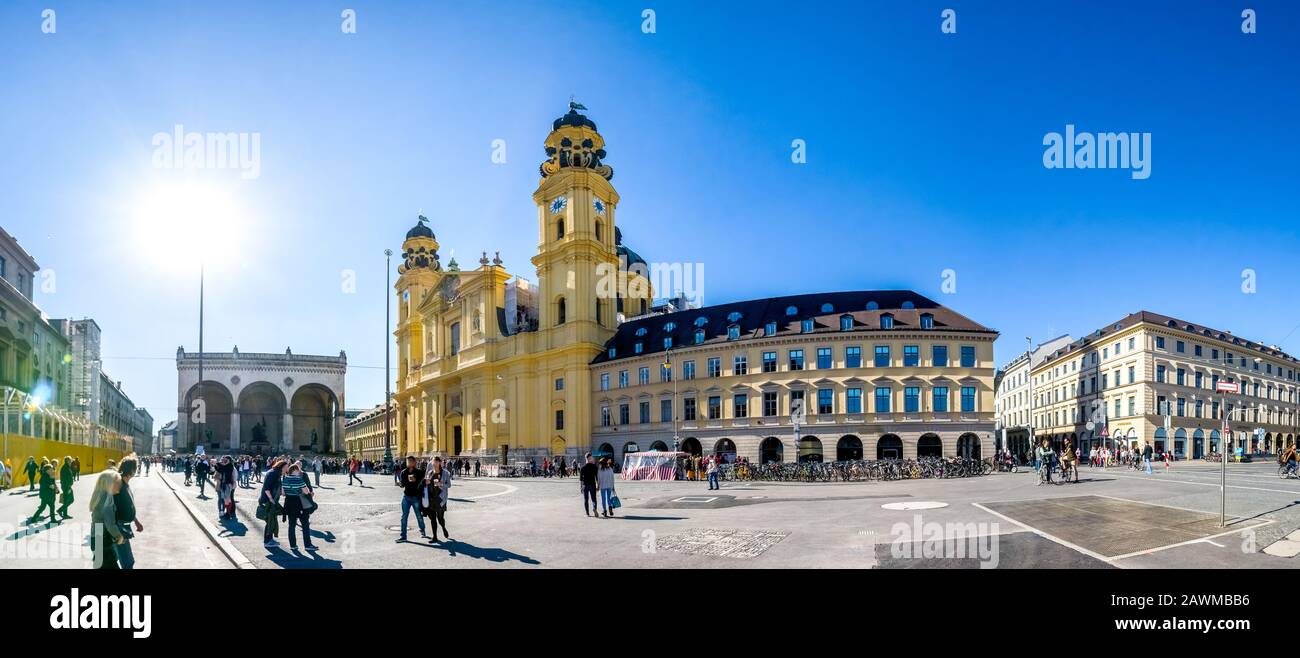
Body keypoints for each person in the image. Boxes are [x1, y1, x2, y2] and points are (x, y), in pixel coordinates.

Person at [113, 456, 144, 569]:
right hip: (118, 527)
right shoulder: (118, 484)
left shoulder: (125, 484)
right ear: (131, 470)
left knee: (116, 559)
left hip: (123, 526)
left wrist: (136, 521)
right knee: (127, 562)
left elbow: (127, 505)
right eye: (136, 468)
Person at [89, 470, 124, 569]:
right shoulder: (107, 498)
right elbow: (110, 524)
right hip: (103, 539)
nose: (120, 485)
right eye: (117, 483)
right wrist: (119, 536)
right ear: (110, 483)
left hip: (97, 536)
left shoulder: (99, 495)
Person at [281, 463, 318, 551]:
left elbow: (282, 493)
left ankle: (293, 545)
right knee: (305, 525)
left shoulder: (285, 479)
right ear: (295, 471)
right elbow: (306, 492)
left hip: (289, 504)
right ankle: (308, 545)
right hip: (300, 504)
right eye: (298, 470)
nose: (299, 472)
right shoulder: (299, 480)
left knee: (291, 525)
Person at [396, 456, 427, 542]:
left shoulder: (419, 472)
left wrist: (415, 480)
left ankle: (422, 530)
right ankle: (403, 536)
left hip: (416, 497)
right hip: (406, 497)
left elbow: (423, 483)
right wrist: (400, 484)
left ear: (414, 462)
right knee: (404, 517)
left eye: (410, 461)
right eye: (407, 461)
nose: (408, 463)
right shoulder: (403, 472)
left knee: (418, 515)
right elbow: (403, 484)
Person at [260, 459, 288, 547]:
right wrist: (271, 499)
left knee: (272, 521)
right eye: (286, 467)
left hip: (271, 500)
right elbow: (266, 488)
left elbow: (277, 487)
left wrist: (282, 493)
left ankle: (270, 539)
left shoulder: (276, 473)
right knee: (270, 521)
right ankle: (267, 541)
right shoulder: (273, 473)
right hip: (268, 501)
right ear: (282, 467)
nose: (287, 470)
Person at [423, 457, 452, 542]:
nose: (434, 463)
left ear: (439, 462)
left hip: (440, 498)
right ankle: (435, 537)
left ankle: (443, 527)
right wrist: (426, 483)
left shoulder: (446, 473)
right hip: (431, 498)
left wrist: (441, 484)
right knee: (432, 519)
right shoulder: (430, 472)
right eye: (433, 462)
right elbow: (426, 484)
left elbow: (449, 485)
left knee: (440, 518)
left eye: (436, 462)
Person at [214, 456, 237, 520]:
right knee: (222, 499)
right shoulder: (221, 467)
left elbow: (225, 468)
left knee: (228, 499)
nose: (224, 461)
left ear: (229, 460)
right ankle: (223, 511)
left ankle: (228, 512)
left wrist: (218, 463)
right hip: (221, 485)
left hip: (228, 485)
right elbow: (217, 471)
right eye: (223, 459)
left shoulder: (230, 466)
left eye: (225, 460)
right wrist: (216, 464)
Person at [579, 453, 599, 517]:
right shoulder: (595, 467)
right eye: (591, 458)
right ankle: (594, 508)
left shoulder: (583, 468)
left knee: (586, 499)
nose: (592, 459)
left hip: (585, 485)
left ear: (586, 459)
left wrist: (581, 487)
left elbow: (581, 479)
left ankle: (587, 513)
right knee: (594, 499)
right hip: (592, 485)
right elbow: (597, 477)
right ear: (589, 458)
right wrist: (598, 485)